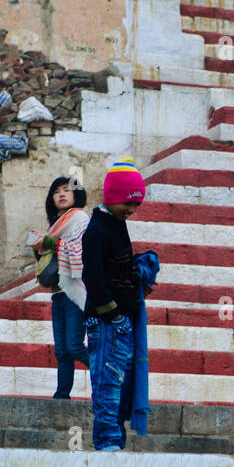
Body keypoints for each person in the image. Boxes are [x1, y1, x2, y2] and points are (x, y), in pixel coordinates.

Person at [81, 158, 157, 452]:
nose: (132, 211)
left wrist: (138, 281)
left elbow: (118, 269)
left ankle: (116, 441)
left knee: (120, 386)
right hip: (107, 323)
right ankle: (107, 443)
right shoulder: (98, 230)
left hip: (120, 322)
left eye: (135, 205)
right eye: (129, 204)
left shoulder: (116, 223)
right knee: (108, 383)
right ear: (112, 198)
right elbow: (94, 277)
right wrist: (113, 314)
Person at [30, 177, 90, 399]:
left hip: (76, 292)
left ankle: (108, 377)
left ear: (77, 195)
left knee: (75, 346)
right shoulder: (55, 225)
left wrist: (50, 243)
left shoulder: (81, 218)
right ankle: (62, 396)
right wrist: (38, 247)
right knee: (62, 351)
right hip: (58, 295)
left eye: (66, 190)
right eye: (56, 192)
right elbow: (48, 262)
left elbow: (80, 251)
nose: (61, 194)